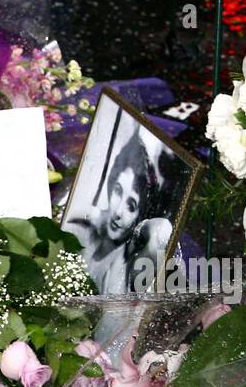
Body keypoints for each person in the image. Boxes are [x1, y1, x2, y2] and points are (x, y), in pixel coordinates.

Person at [64, 124, 172, 296]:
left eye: (131, 206)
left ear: (142, 214)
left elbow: (161, 229)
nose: (118, 212)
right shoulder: (83, 230)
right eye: (118, 191)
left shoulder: (123, 271)